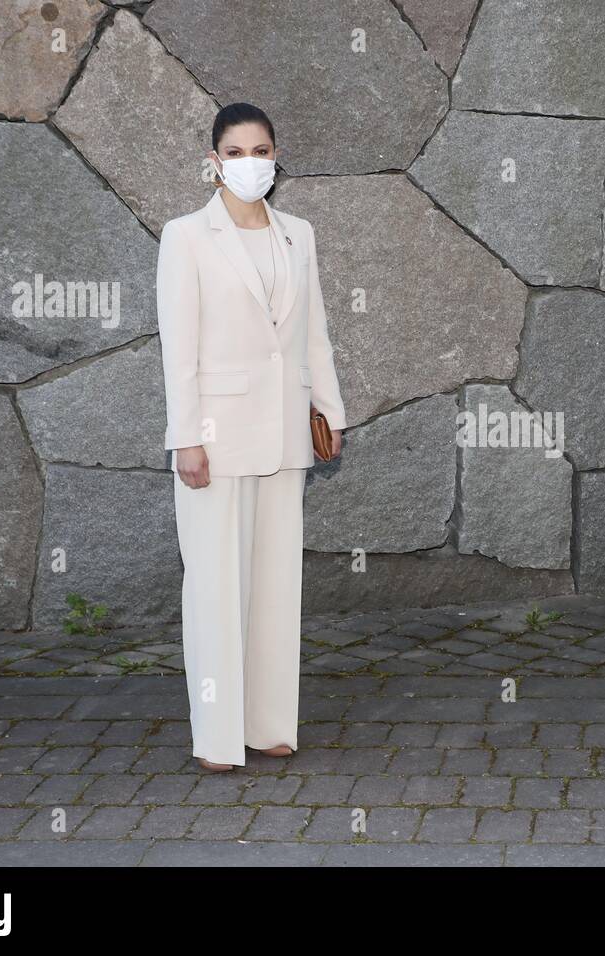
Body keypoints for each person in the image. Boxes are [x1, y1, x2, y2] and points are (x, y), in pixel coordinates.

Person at [156, 102, 346, 771]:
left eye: (260, 150)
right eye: (235, 152)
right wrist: (185, 438)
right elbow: (178, 350)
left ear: (276, 156)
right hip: (214, 435)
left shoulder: (299, 234)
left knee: (273, 586)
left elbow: (313, 333)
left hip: (287, 432)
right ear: (213, 161)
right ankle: (216, 737)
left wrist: (330, 413)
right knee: (213, 588)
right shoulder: (185, 237)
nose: (249, 162)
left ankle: (267, 725)